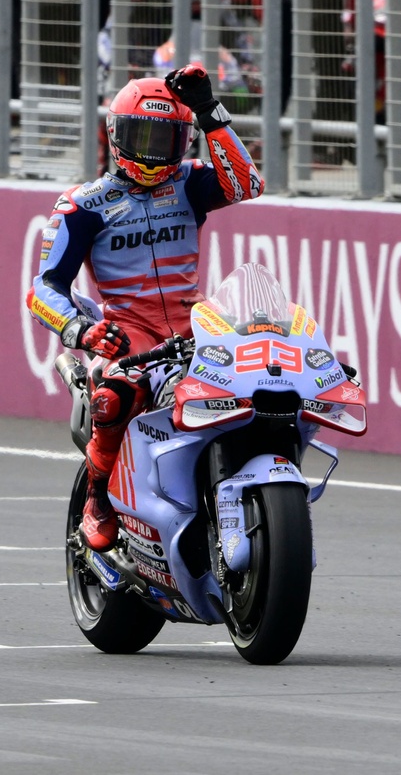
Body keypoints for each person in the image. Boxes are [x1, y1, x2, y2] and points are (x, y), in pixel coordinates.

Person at [26, 65, 264, 551]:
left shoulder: (191, 181)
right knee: (115, 396)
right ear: (116, 135)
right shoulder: (83, 205)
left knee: (258, 380)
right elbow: (43, 289)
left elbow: (247, 185)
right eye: (143, 135)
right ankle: (97, 497)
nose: (154, 150)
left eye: (167, 137)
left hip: (195, 321)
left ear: (185, 140)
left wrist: (207, 111)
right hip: (128, 328)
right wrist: (79, 330)